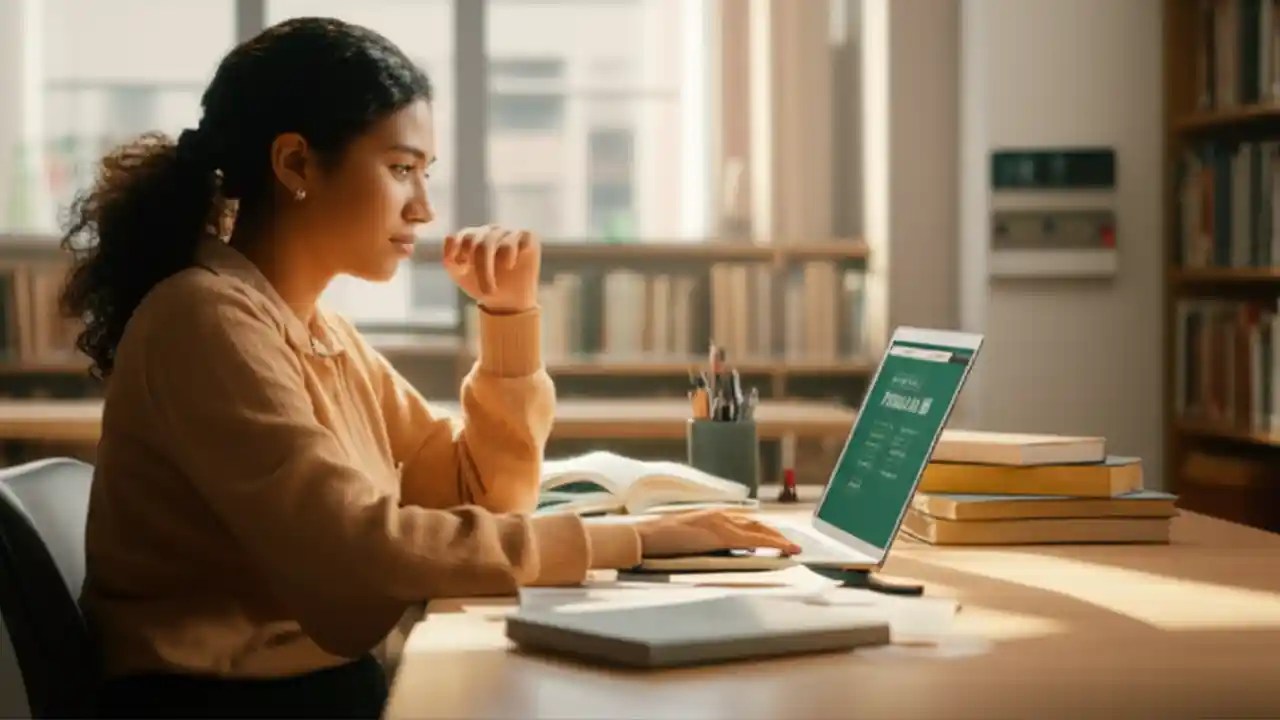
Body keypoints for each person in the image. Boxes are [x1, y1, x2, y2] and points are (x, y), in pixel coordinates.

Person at [57, 16, 800, 719]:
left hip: (308, 689)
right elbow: (361, 549)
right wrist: (630, 541)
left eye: (425, 172)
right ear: (295, 164)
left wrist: (508, 321)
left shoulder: (317, 332)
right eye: (401, 169)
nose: (423, 207)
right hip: (227, 707)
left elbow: (483, 494)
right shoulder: (204, 319)